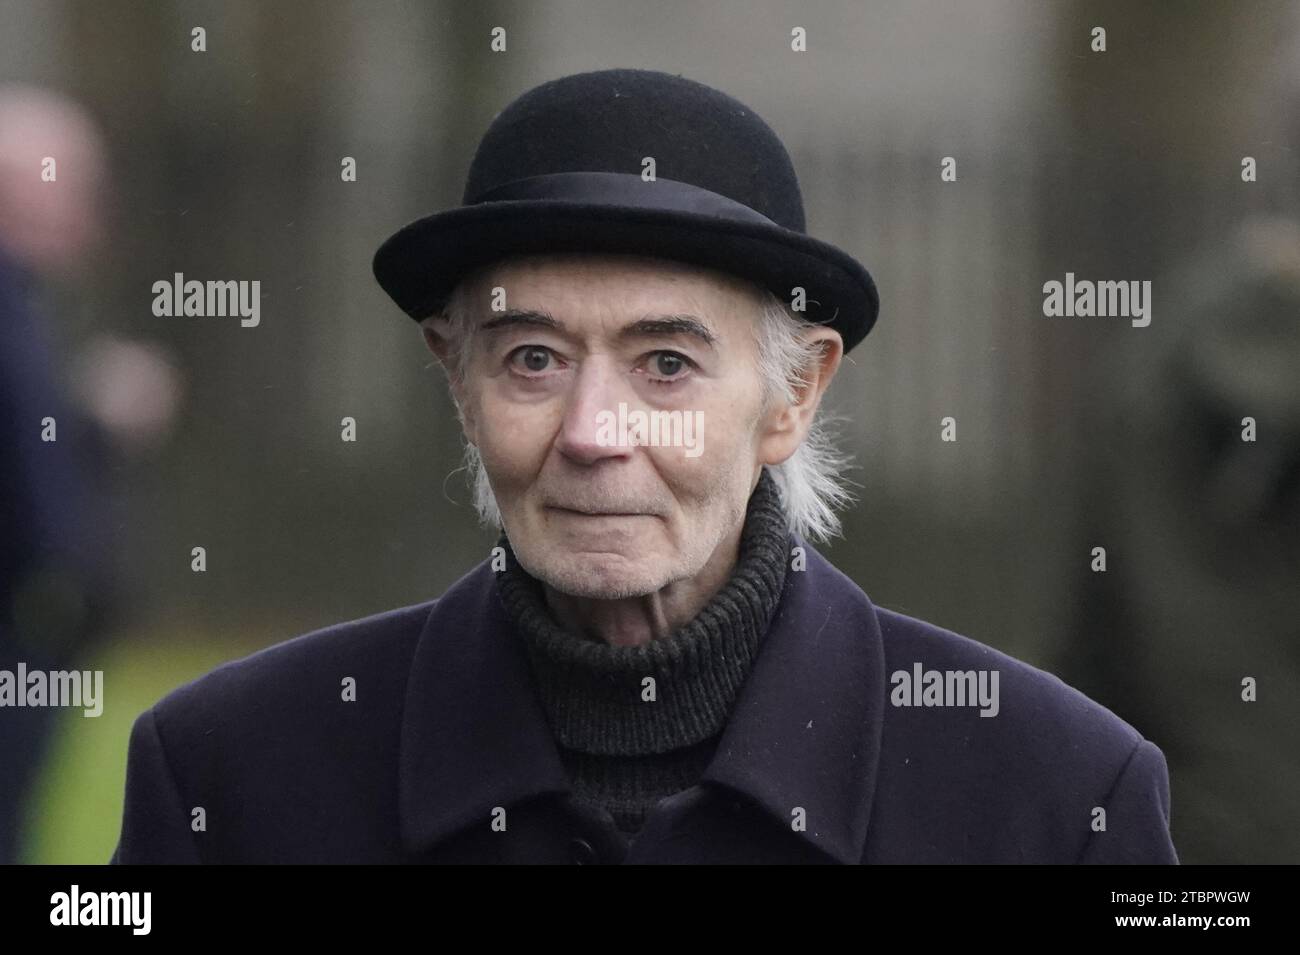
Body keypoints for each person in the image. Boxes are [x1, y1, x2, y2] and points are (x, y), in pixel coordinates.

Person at [111, 68, 1177, 864]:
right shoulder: (233, 776)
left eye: (666, 364)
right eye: (533, 358)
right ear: (457, 380)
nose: (592, 430)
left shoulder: (1056, 795)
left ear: (793, 396)